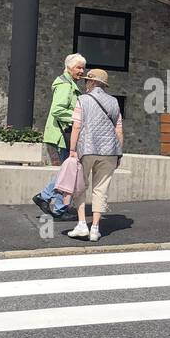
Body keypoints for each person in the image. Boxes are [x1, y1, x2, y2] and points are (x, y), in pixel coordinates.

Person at [65, 68, 123, 242]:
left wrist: (72, 150)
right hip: (110, 152)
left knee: (80, 186)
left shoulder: (82, 100)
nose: (85, 84)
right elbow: (119, 129)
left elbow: (76, 126)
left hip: (87, 149)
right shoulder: (114, 102)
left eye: (86, 81)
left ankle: (82, 224)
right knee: (101, 189)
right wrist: (119, 153)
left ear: (91, 82)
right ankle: (95, 229)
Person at [34, 54, 85, 218]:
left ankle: (54, 204)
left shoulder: (69, 84)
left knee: (67, 171)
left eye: (83, 67)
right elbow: (57, 110)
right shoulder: (65, 85)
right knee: (69, 172)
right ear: (69, 67)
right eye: (78, 67)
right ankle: (52, 202)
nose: (82, 71)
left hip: (63, 133)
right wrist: (78, 116)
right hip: (63, 134)